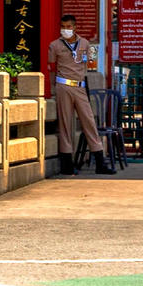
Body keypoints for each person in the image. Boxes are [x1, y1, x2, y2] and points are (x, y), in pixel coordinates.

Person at [46, 14, 100, 174]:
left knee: (89, 121)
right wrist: (53, 89)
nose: (66, 30)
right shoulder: (54, 45)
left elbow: (92, 63)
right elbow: (51, 68)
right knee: (65, 124)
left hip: (80, 87)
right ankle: (67, 165)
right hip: (63, 86)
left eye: (69, 27)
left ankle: (100, 161)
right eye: (63, 27)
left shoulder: (85, 43)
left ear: (75, 27)